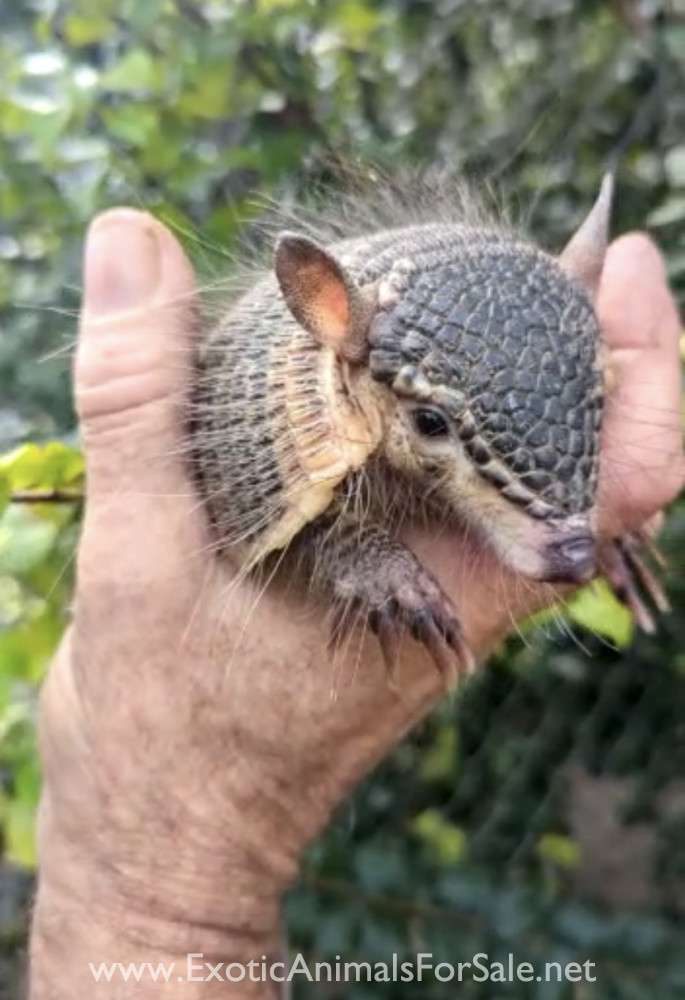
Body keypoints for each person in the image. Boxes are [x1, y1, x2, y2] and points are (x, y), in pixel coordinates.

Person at [29, 210, 683, 997]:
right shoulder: (298, 381)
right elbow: (260, 526)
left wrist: (582, 512)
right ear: (332, 324)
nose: (559, 559)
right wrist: (355, 551)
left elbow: (550, 424)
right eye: (431, 424)